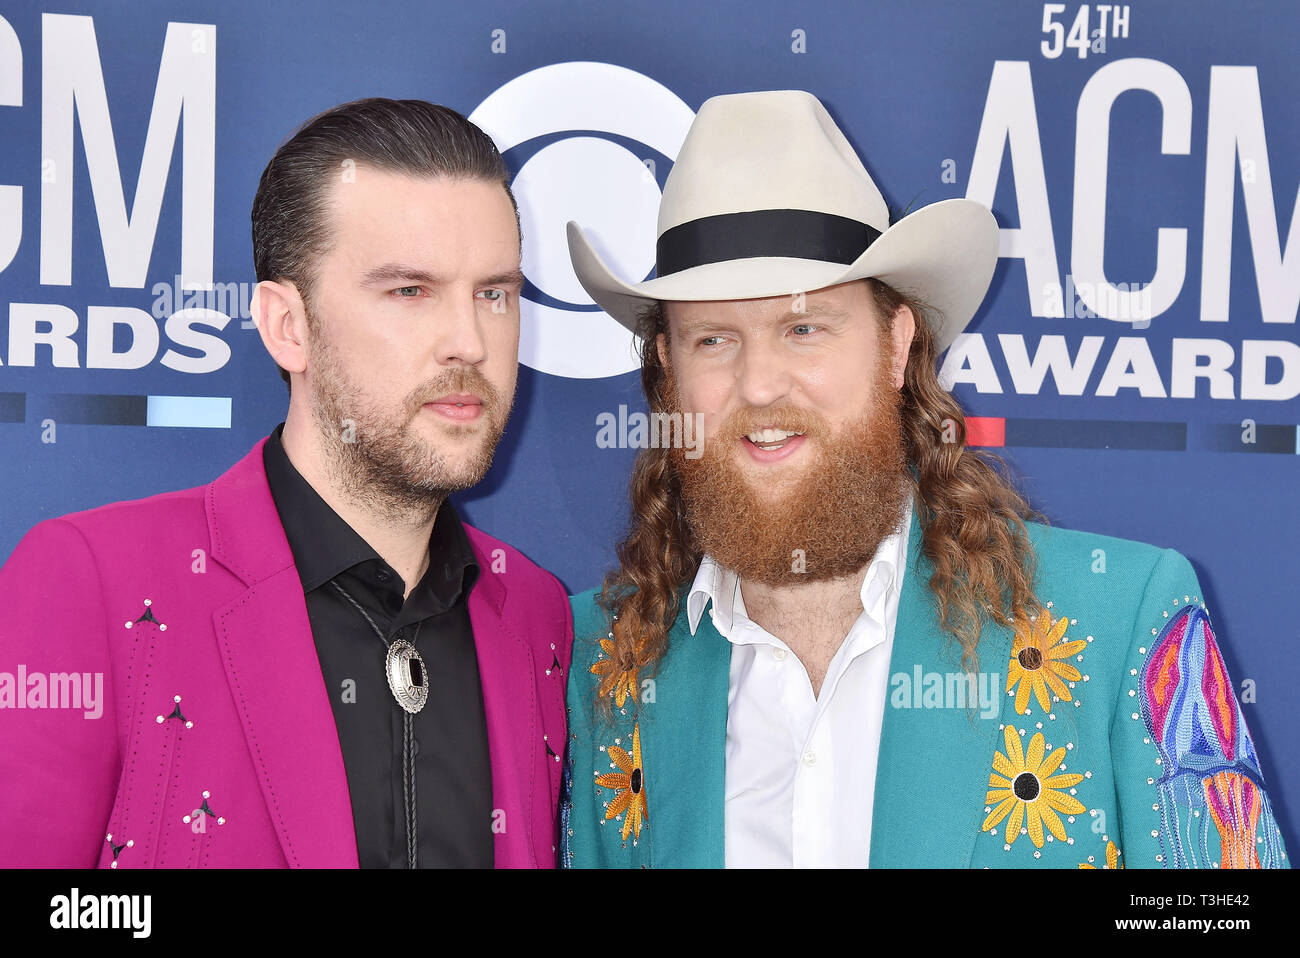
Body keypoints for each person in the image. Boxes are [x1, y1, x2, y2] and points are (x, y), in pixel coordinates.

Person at [559, 90, 1287, 868]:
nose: (761, 383)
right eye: (713, 340)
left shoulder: (1121, 617)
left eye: (803, 328)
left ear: (896, 344)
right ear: (670, 372)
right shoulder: (601, 661)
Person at [0, 98, 572, 868]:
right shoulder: (94, 583)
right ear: (286, 326)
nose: (468, 341)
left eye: (494, 293)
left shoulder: (535, 613)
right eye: (410, 291)